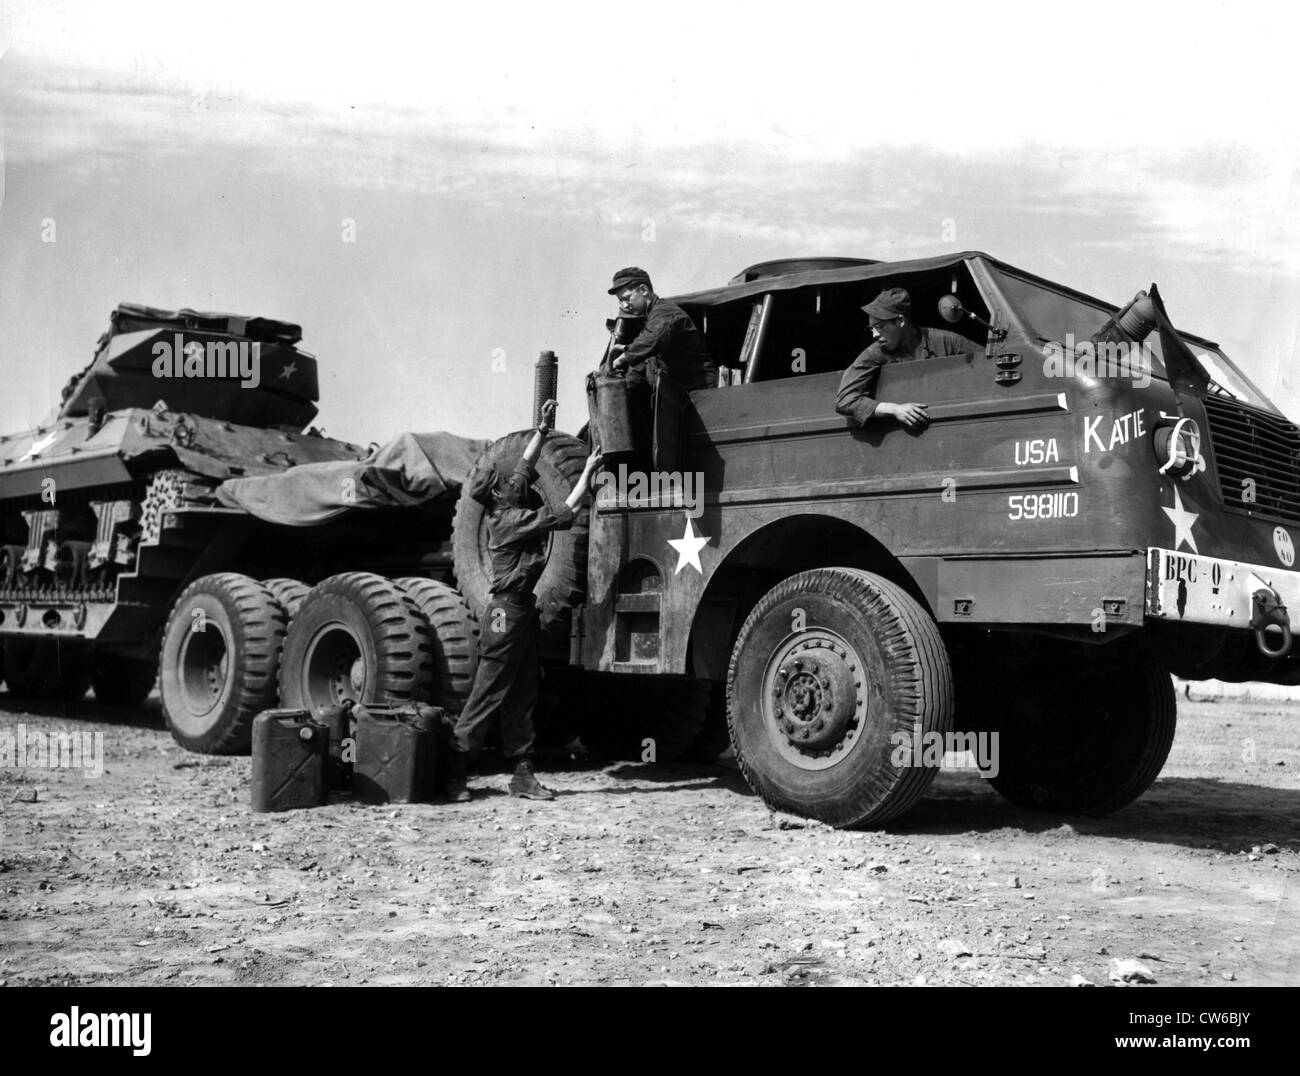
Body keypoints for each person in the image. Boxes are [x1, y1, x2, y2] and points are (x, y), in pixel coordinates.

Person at [445, 400, 603, 802]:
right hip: (505, 613)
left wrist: (542, 430)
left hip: (522, 612)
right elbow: (568, 511)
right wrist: (587, 472)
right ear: (499, 494)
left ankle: (522, 773)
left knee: (522, 692)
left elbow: (526, 463)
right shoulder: (509, 521)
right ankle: (455, 768)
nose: (516, 481)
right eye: (508, 482)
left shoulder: (506, 500)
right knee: (489, 691)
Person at [603, 267, 715, 464]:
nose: (624, 305)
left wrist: (622, 357)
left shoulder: (664, 312)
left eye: (627, 298)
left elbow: (654, 338)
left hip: (701, 395)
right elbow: (643, 365)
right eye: (620, 301)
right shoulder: (651, 320)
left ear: (643, 290)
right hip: (683, 400)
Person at [835, 287, 972, 431]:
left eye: (879, 326)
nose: (874, 334)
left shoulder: (947, 341)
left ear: (900, 320)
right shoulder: (875, 353)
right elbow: (845, 400)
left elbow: (985, 361)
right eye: (872, 328)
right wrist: (895, 409)